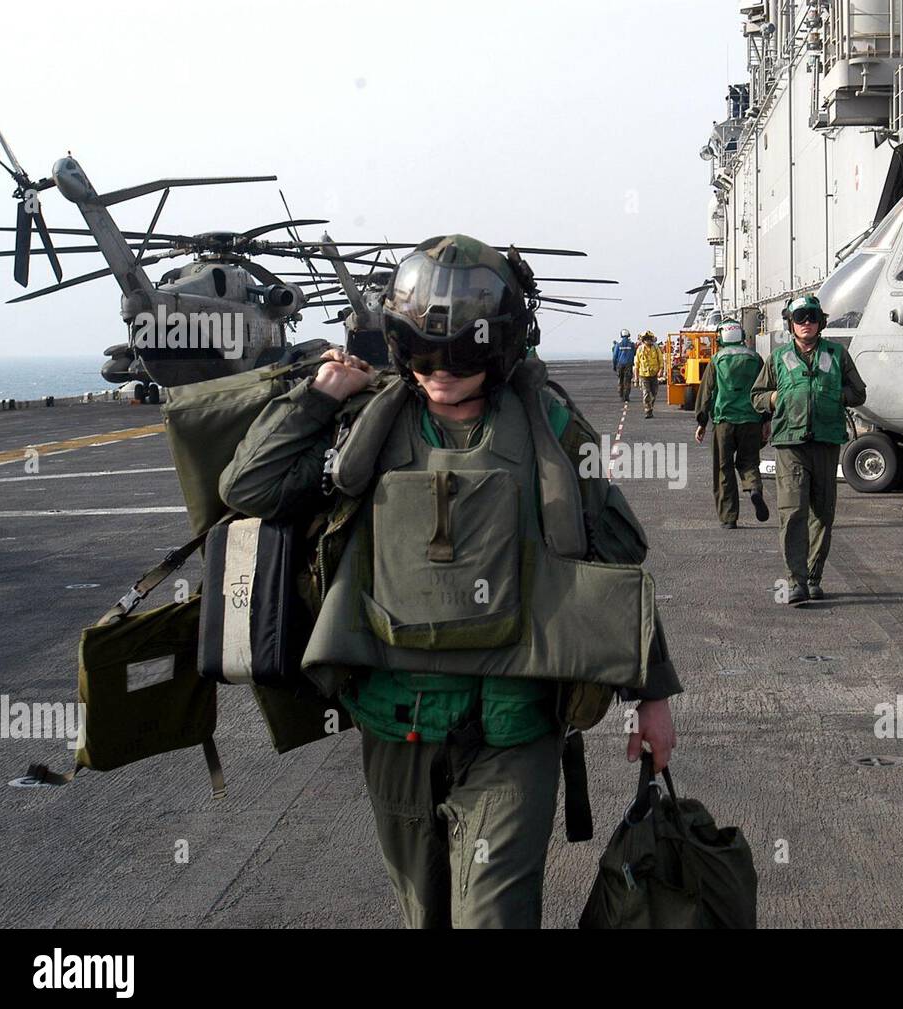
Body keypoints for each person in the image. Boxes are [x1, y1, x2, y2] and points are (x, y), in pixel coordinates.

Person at [219, 235, 680, 928]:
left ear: (502, 348)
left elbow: (612, 556)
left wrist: (651, 696)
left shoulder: (549, 428)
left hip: (514, 726)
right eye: (421, 352)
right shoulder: (364, 423)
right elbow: (248, 488)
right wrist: (317, 401)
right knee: (423, 913)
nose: (439, 372)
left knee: (493, 916)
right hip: (396, 721)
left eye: (461, 355)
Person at [750, 294, 866, 605]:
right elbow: (757, 396)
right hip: (791, 444)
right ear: (791, 323)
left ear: (821, 322)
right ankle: (796, 581)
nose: (806, 323)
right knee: (793, 513)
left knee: (823, 513)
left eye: (812, 317)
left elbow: (859, 392)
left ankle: (814, 577)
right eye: (800, 317)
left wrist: (834, 396)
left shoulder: (837, 355)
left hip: (826, 443)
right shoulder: (778, 358)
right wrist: (776, 400)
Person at [693, 318, 769, 529]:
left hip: (724, 422)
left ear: (720, 337)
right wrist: (766, 420)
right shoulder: (755, 358)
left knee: (723, 468)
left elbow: (706, 393)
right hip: (751, 420)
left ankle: (729, 518)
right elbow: (764, 389)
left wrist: (702, 422)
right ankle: (754, 488)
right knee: (749, 462)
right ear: (742, 336)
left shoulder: (717, 360)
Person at [634, 330, 663, 418]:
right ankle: (648, 410)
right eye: (646, 339)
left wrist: (660, 370)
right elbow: (637, 364)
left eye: (649, 339)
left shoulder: (656, 348)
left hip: (654, 375)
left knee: (654, 393)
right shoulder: (640, 349)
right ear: (643, 340)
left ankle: (650, 407)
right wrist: (636, 378)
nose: (648, 341)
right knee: (646, 393)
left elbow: (660, 360)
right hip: (644, 375)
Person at [612, 328, 636, 402]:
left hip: (620, 365)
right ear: (628, 335)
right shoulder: (631, 345)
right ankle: (626, 396)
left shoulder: (618, 345)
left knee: (620, 379)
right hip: (628, 365)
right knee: (627, 381)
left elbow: (614, 356)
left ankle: (621, 393)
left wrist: (614, 366)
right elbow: (634, 353)